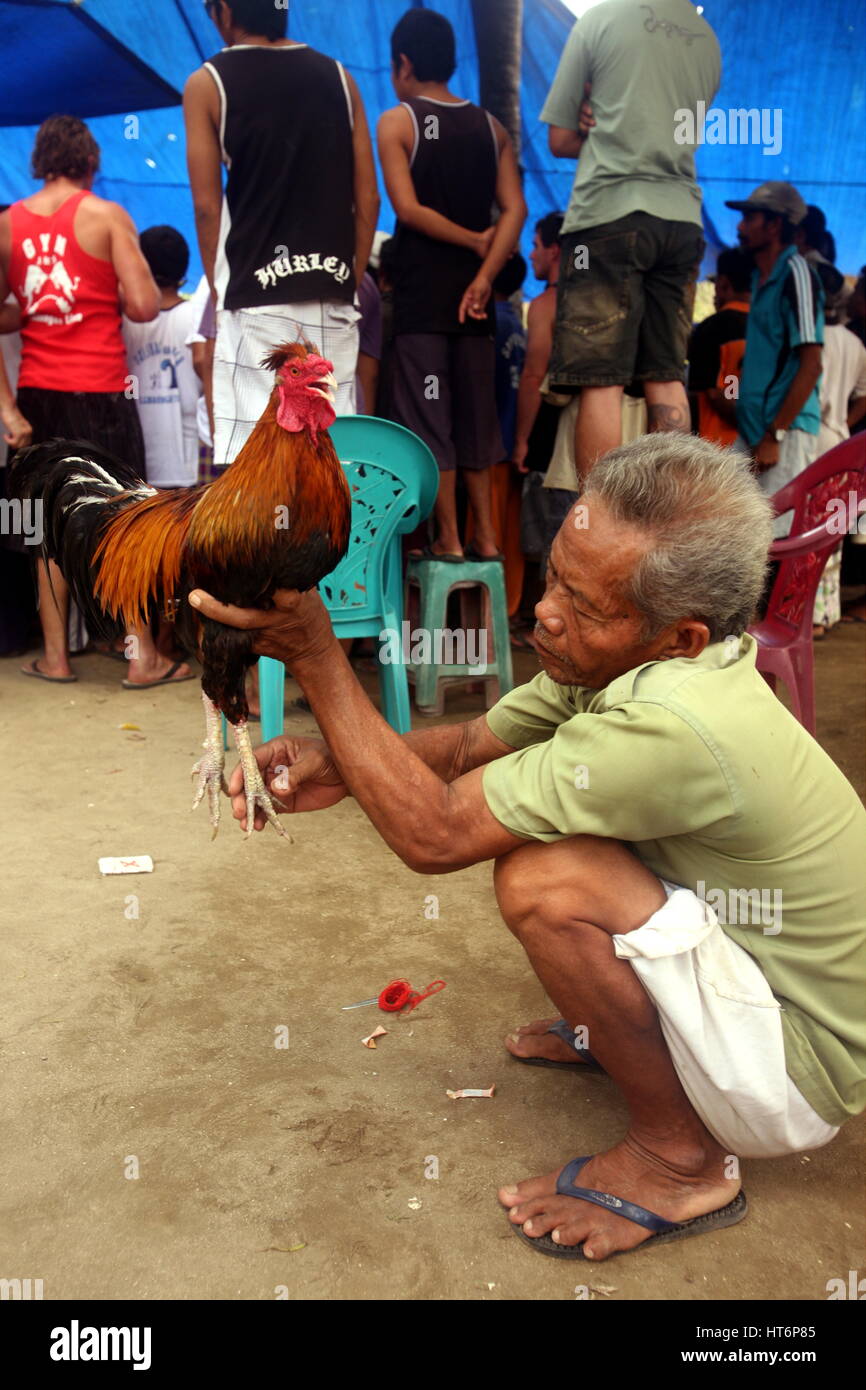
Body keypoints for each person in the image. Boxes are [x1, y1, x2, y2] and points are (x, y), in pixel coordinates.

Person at [190, 431, 865, 1262]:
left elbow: (436, 833)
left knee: (547, 874)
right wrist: (339, 763)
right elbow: (474, 746)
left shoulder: (672, 719)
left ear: (680, 637)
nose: (546, 612)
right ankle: (629, 1036)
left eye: (586, 607)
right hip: (758, 979)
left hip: (795, 1075)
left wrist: (319, 658)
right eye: (554, 578)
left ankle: (682, 1160)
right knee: (556, 818)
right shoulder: (624, 661)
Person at [0, 115, 192, 688]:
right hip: (103, 393)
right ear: (90, 161)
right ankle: (143, 658)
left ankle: (56, 658)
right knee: (121, 522)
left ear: (40, 161)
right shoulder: (107, 216)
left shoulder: (8, 225)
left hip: (38, 398)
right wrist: (96, 290)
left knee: (46, 532)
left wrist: (9, 409)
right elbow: (142, 305)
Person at [184, 0, 379, 466]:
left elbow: (207, 206)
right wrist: (348, 276)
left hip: (254, 294)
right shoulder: (340, 78)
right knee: (333, 457)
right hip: (331, 290)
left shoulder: (207, 84)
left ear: (225, 10)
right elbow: (368, 199)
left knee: (254, 463)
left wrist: (217, 283)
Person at [541, 0, 720, 479]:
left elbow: (559, 140)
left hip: (609, 215)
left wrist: (592, 127)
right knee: (666, 374)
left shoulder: (600, 20)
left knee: (602, 380)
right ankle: (675, 521)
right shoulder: (706, 40)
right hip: (681, 218)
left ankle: (599, 520)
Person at [378, 7, 526, 561]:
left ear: (405, 63)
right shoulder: (492, 129)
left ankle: (451, 538)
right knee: (475, 417)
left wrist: (470, 244)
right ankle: (486, 535)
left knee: (429, 416)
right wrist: (486, 275)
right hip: (475, 302)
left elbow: (408, 210)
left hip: (422, 299)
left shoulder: (398, 122)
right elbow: (515, 210)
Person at [728, 181, 824, 529]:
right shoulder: (759, 277)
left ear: (775, 225)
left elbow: (812, 364)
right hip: (757, 431)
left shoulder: (796, 274)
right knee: (731, 532)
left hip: (783, 432)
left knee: (774, 541)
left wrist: (775, 434)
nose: (739, 227)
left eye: (748, 218)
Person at [122, 226, 203, 488]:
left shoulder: (123, 321)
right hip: (190, 464)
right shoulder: (198, 319)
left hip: (133, 465)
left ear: (139, 265)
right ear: (184, 266)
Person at [687, 247, 751, 447]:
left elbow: (717, 391)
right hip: (759, 446)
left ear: (724, 284)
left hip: (718, 443)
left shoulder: (712, 328)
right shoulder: (769, 327)